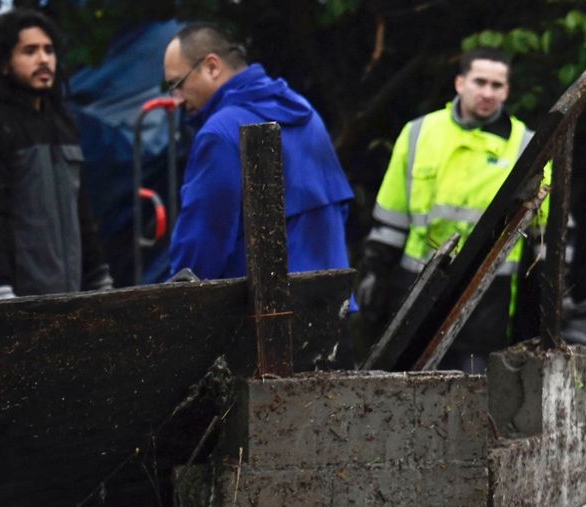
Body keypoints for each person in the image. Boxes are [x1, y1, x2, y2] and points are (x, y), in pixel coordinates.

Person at [362, 47, 547, 372]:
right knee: (406, 393)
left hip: (489, 298)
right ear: (460, 83)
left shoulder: (527, 146)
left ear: (507, 90)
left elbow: (543, 234)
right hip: (417, 287)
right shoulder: (419, 133)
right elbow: (391, 216)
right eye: (480, 82)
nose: (488, 92)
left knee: (468, 398)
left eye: (497, 85)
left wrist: (547, 298)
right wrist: (375, 272)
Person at [161, 23, 350, 282]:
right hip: (329, 303)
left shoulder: (219, 133)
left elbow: (200, 251)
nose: (176, 99)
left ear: (212, 67)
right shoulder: (305, 112)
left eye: (177, 84)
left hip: (262, 314)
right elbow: (338, 210)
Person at [0, 10, 111, 302]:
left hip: (66, 299)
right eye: (30, 51)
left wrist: (99, 277)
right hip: (6, 303)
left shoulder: (61, 124)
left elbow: (81, 211)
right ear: (3, 63)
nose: (44, 59)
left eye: (49, 50)